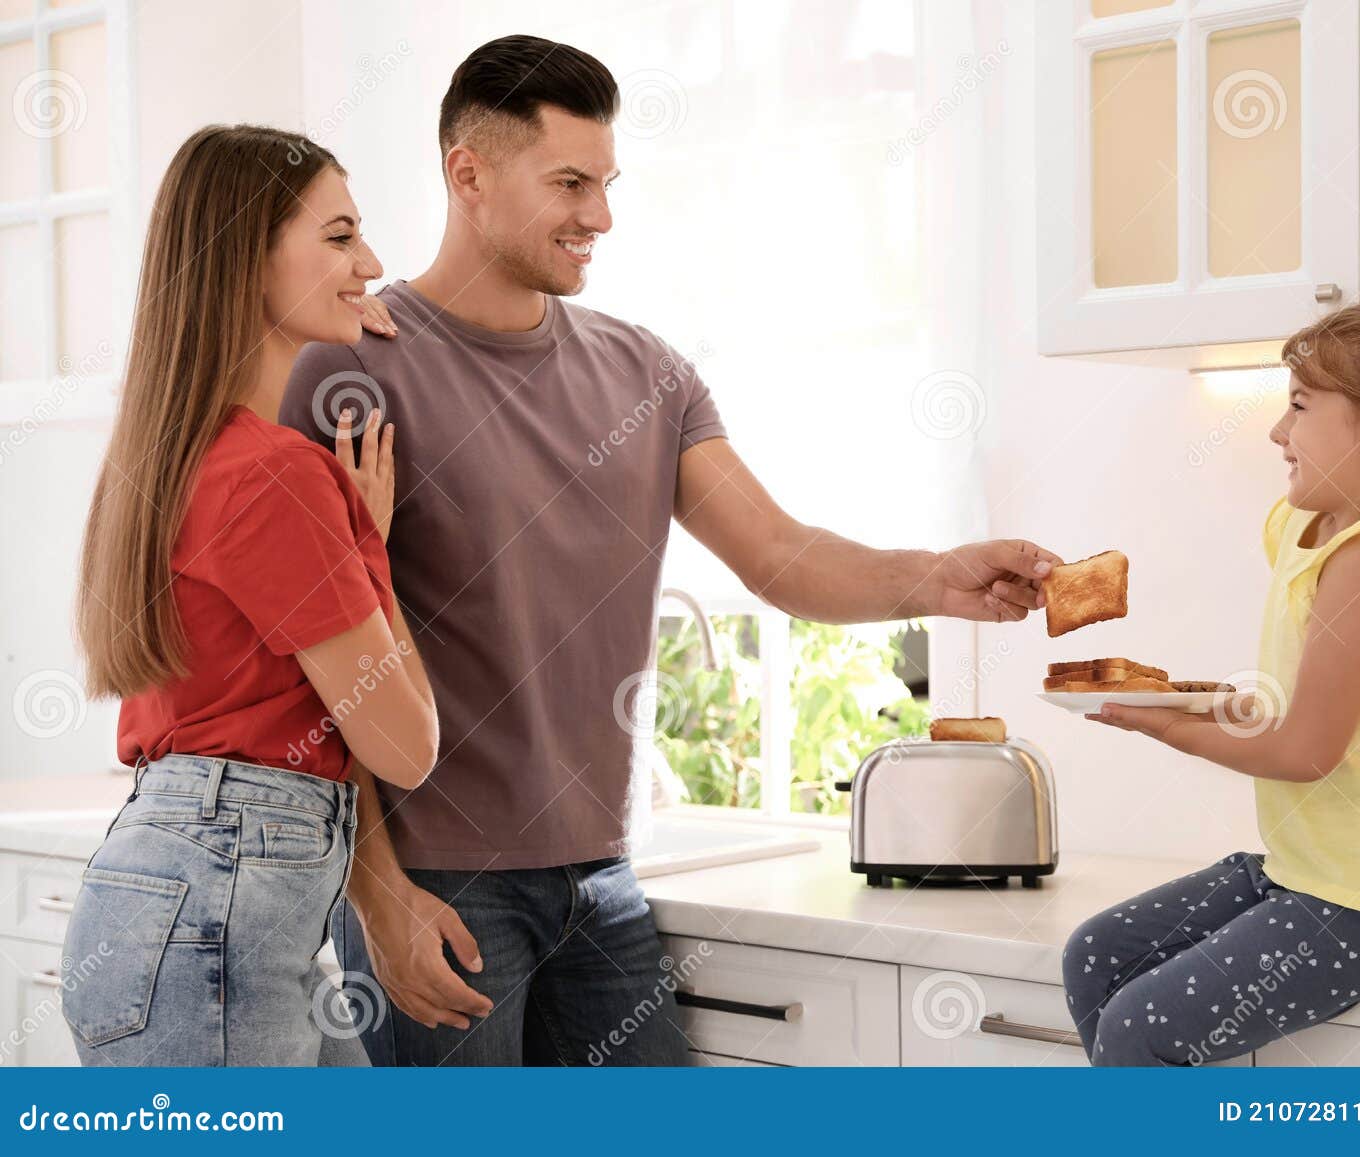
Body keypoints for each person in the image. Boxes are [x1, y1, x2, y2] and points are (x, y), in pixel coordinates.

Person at [282, 35, 1063, 1066]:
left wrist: (938, 576)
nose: (598, 216)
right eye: (568, 182)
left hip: (599, 879)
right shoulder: (350, 370)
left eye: (605, 183)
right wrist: (377, 896)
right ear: (467, 173)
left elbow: (779, 553)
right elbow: (312, 670)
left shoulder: (644, 372)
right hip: (441, 883)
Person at [61, 124, 438, 1066]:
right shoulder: (275, 474)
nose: (373, 262)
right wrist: (369, 550)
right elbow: (407, 744)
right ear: (246, 258)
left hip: (190, 899)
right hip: (214, 920)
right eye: (341, 236)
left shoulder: (177, 455)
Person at [1062, 300, 1360, 1065]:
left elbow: (1306, 749)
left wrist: (1164, 725)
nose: (1275, 431)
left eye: (1298, 405)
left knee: (1138, 1028)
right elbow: (1314, 704)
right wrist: (1199, 701)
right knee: (1094, 955)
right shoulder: (1303, 530)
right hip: (1306, 876)